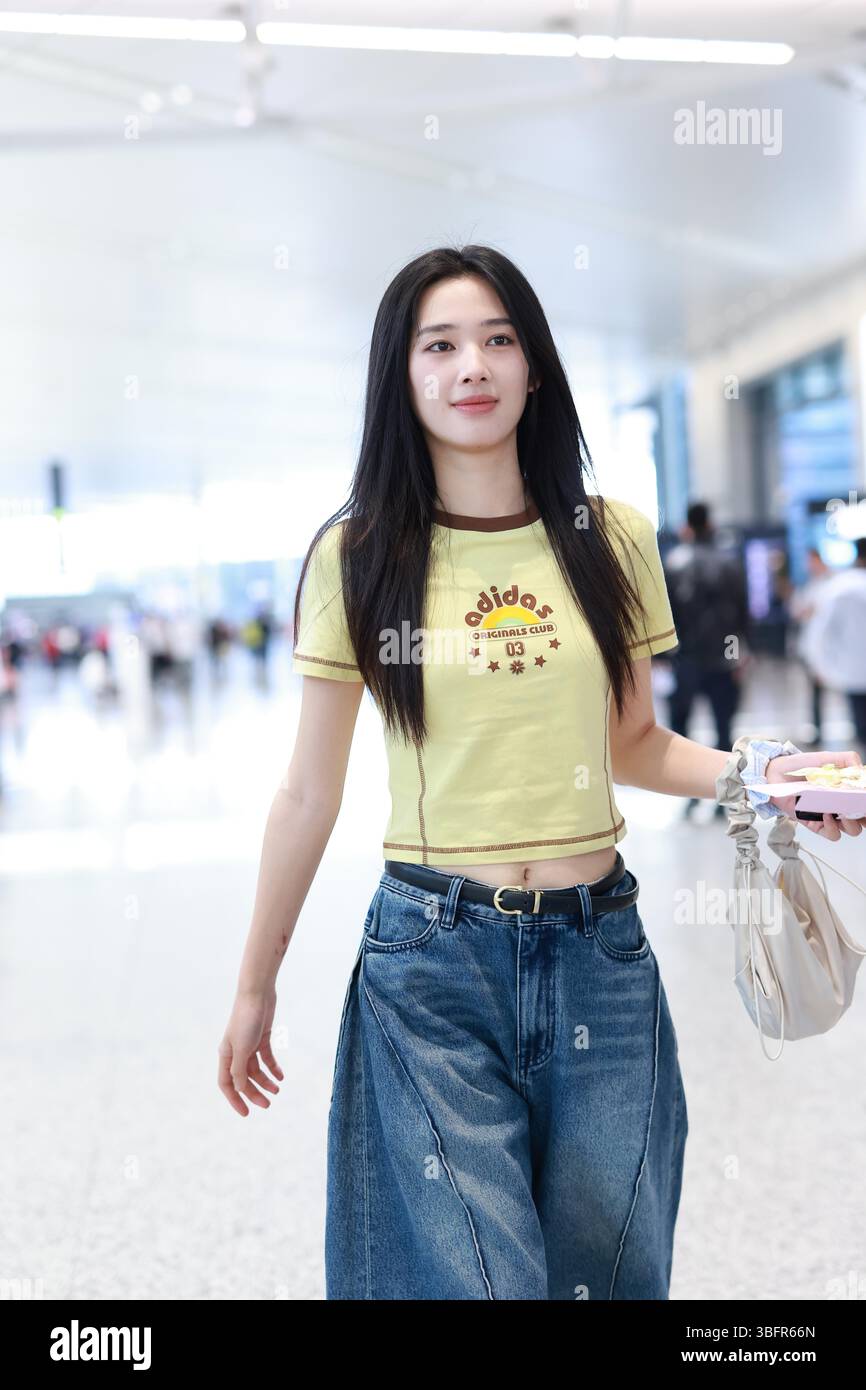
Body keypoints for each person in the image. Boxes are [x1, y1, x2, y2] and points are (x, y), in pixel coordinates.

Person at [217, 246, 865, 1301]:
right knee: (479, 1282)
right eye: (440, 345)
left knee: (600, 1278)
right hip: (430, 958)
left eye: (497, 338)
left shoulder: (608, 540)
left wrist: (765, 778)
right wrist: (256, 982)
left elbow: (634, 745)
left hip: (596, 954)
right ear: (402, 374)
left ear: (531, 367)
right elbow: (306, 791)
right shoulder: (359, 554)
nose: (471, 364)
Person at [662, 501, 749, 820]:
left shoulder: (673, 561)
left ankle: (692, 795)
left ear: (687, 527)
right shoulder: (730, 563)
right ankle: (724, 795)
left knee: (681, 731)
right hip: (723, 659)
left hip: (684, 658)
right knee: (724, 728)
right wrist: (739, 654)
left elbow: (665, 615)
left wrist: (660, 657)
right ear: (710, 525)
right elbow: (741, 615)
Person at [800, 537, 866, 749]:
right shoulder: (841, 586)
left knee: (861, 723)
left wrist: (820, 664)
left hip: (854, 669)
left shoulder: (841, 587)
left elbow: (820, 632)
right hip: (854, 668)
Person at [788, 547, 832, 745]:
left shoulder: (831, 584)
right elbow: (799, 611)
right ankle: (818, 729)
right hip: (812, 646)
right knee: (815, 691)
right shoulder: (809, 585)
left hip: (830, 646)